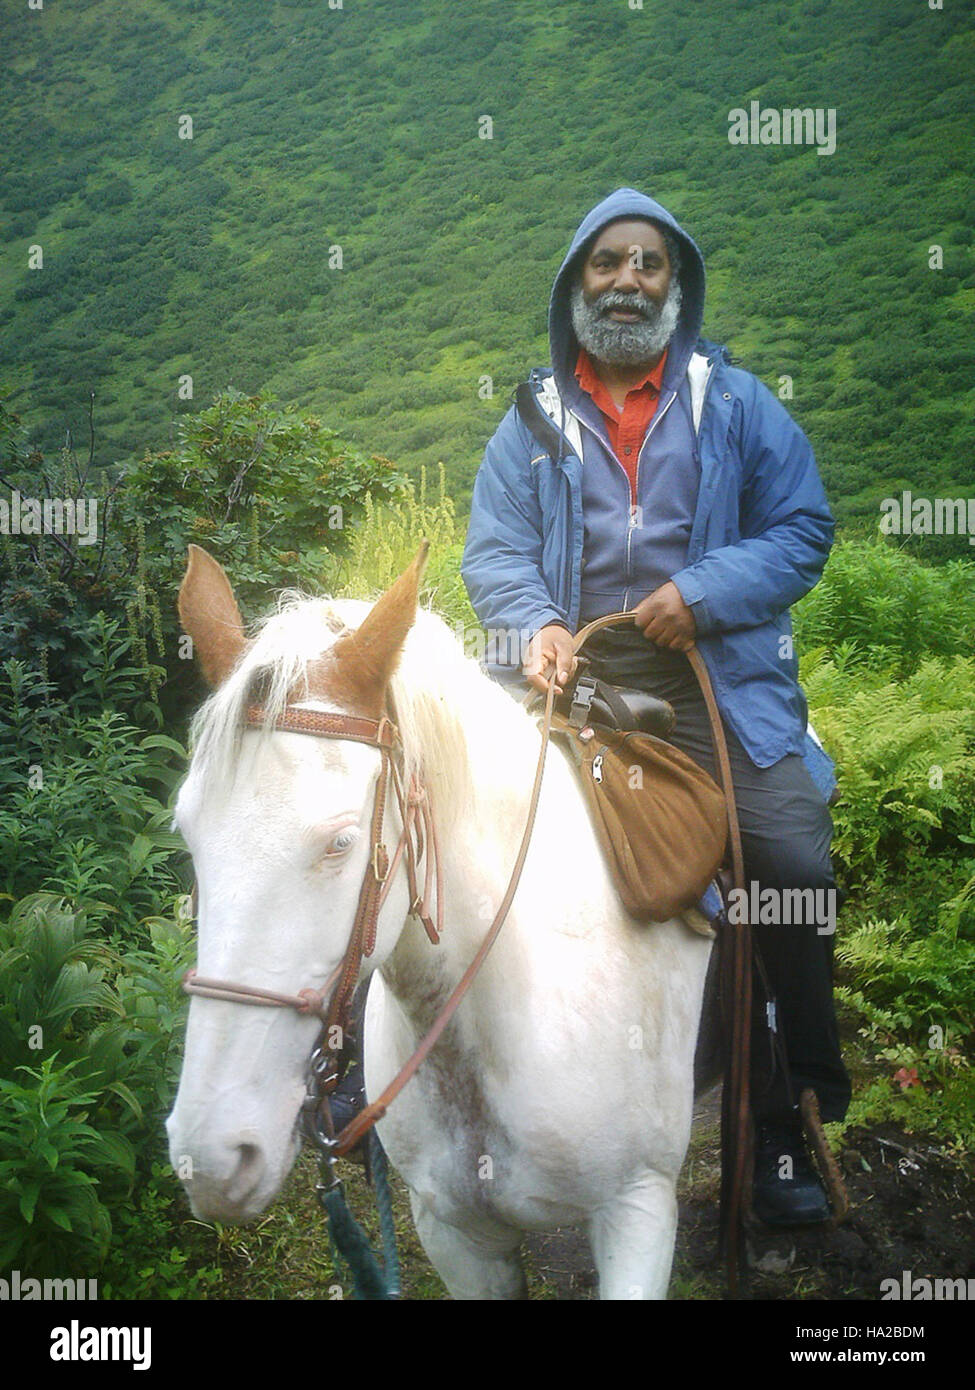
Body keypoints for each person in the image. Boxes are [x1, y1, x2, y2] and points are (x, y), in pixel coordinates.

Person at [460, 186, 851, 1225]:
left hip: (719, 689)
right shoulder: (533, 418)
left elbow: (804, 525)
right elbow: (494, 553)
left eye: (649, 264)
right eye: (607, 263)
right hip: (574, 687)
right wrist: (535, 621)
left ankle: (784, 1124)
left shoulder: (734, 404)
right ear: (575, 283)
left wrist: (706, 593)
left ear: (676, 284)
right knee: (465, 844)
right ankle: (473, 1095)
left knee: (789, 866)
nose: (628, 281)